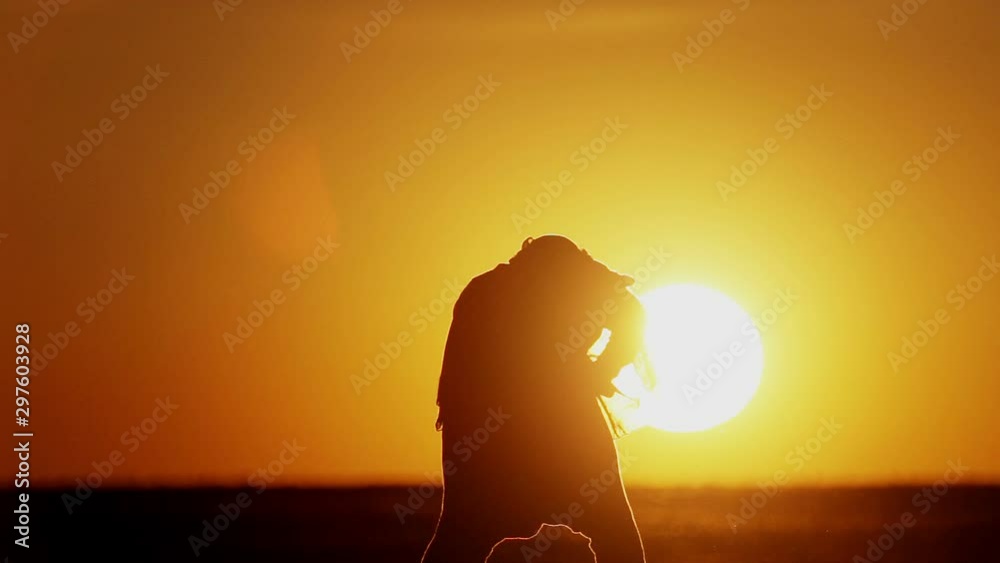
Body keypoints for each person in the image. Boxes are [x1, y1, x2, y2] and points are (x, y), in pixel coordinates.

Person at [420, 235, 648, 563]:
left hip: (553, 423)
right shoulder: (489, 292)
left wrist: (603, 370)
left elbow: (632, 316)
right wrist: (600, 371)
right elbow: (466, 376)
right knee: (464, 533)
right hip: (496, 429)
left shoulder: (582, 283)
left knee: (462, 535)